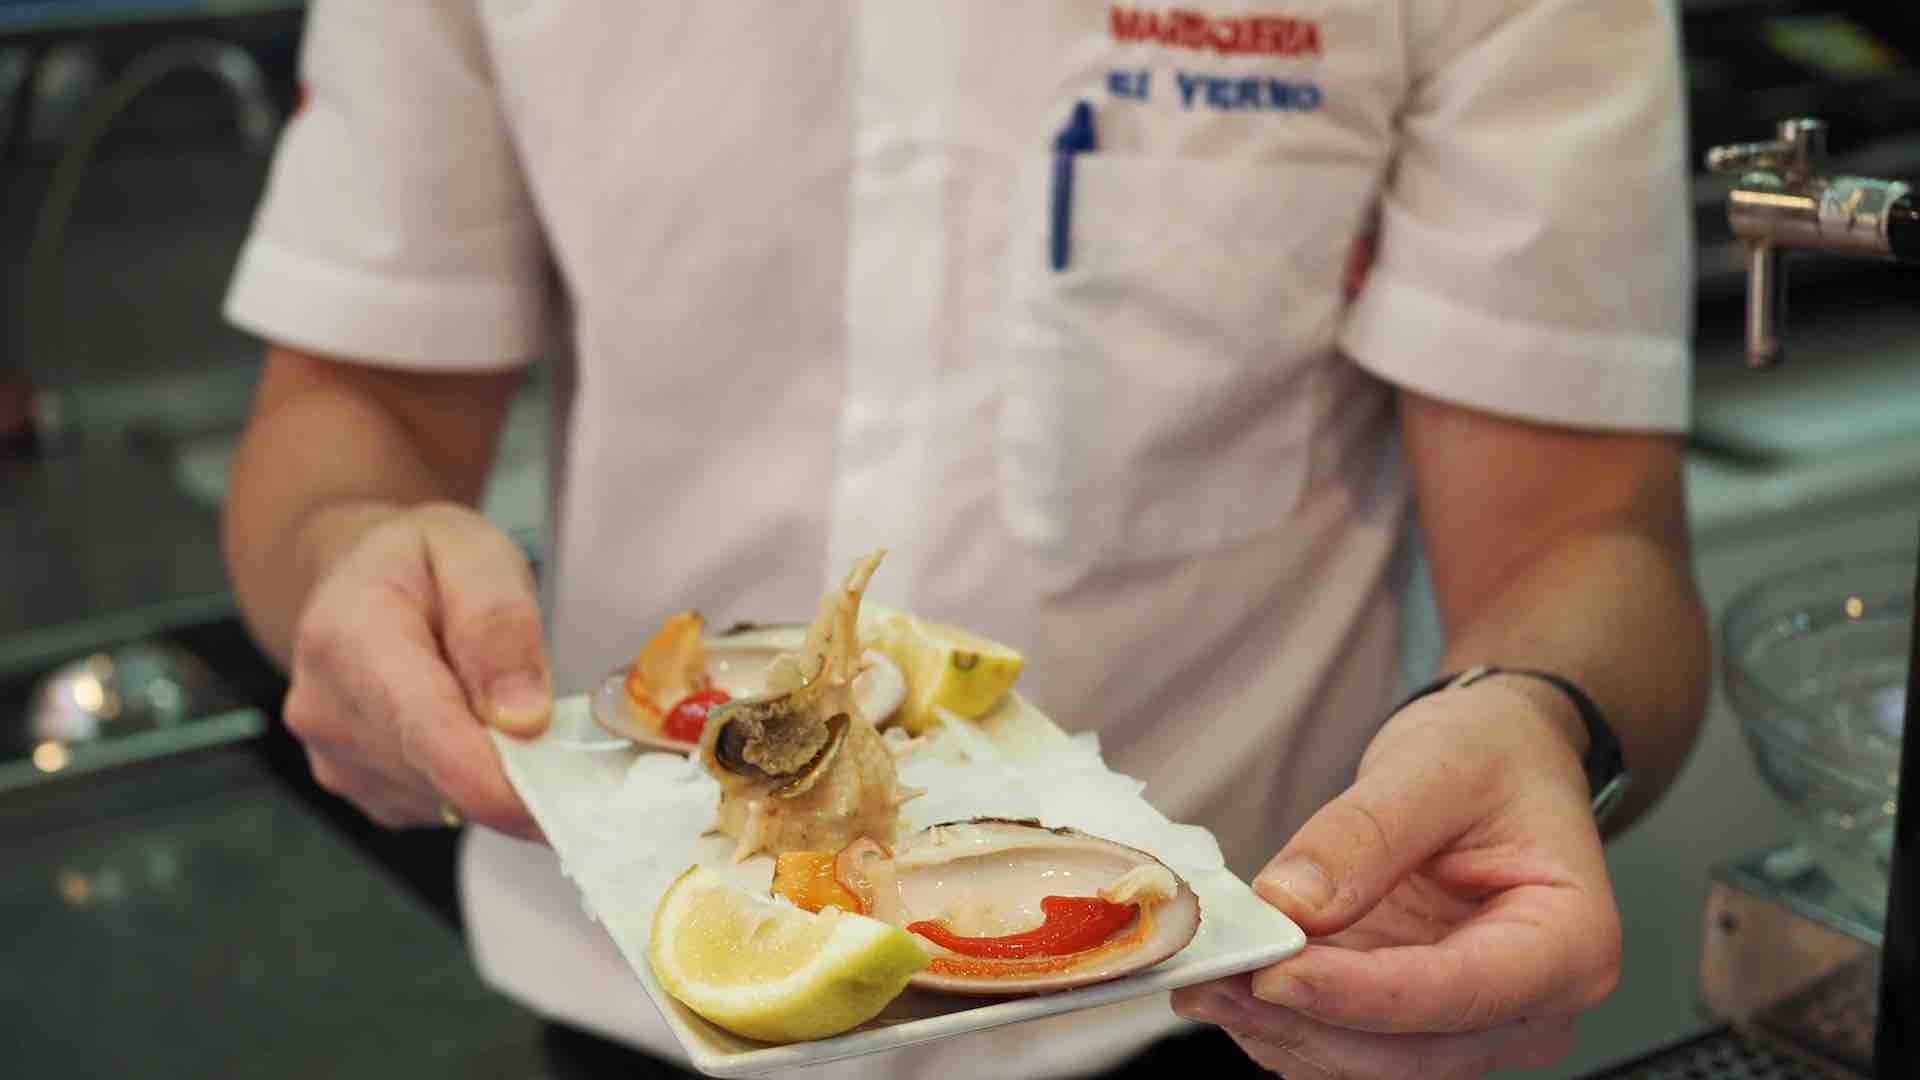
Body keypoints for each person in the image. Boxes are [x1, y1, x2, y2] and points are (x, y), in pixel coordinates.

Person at [219, 2, 1708, 1077]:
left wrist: (1544, 716)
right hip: (650, 998)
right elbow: (354, 405)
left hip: (1241, 1016)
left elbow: (1586, 533)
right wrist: (350, 547)